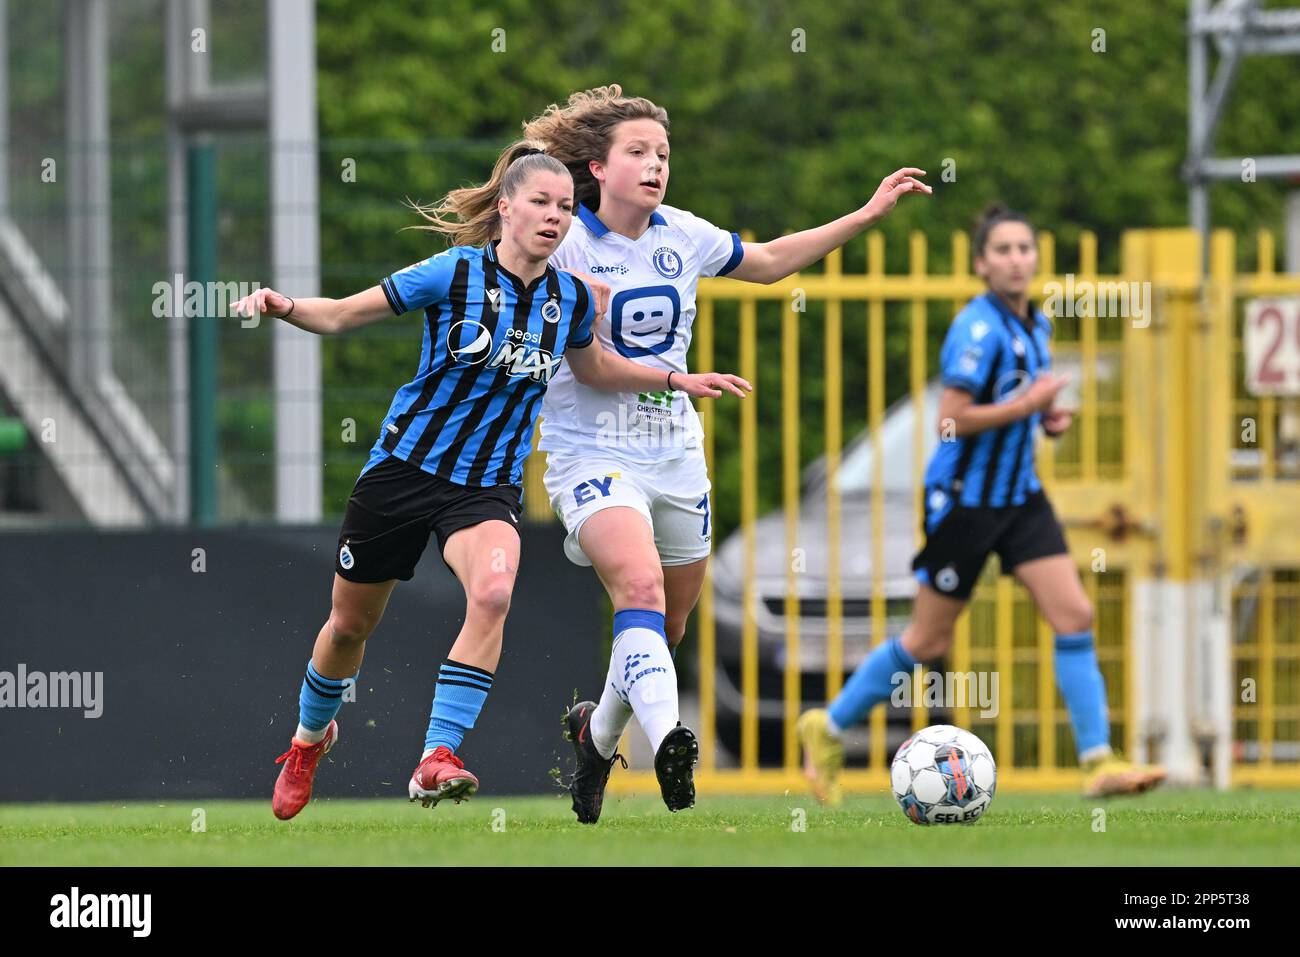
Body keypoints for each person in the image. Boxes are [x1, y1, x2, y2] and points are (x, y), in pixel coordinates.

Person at [232, 141, 749, 821]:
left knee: (496, 589)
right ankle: (307, 741)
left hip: (485, 489)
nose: (555, 217)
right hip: (403, 471)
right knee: (350, 626)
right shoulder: (452, 274)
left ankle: (437, 755)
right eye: (541, 202)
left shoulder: (569, 297)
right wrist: (283, 304)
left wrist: (676, 378)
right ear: (504, 208)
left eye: (565, 207)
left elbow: (596, 370)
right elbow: (343, 315)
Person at [523, 85, 931, 822]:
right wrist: (679, 376)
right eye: (639, 153)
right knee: (640, 591)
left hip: (675, 455)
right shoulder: (566, 244)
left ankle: (596, 735)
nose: (655, 167)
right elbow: (588, 368)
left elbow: (770, 260)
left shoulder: (681, 233)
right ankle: (671, 738)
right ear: (596, 166)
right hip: (592, 454)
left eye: (663, 155)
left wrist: (867, 215)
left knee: (666, 626)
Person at [798, 203, 1167, 804]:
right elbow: (952, 421)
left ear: (1036, 259)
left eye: (1025, 248)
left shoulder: (1035, 325)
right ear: (981, 263)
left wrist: (1044, 419)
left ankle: (1098, 762)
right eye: (1003, 250)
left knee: (1073, 616)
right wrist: (1025, 408)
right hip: (965, 503)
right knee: (926, 641)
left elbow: (1016, 403)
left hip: (1020, 498)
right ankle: (828, 726)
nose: (1016, 259)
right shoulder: (978, 328)